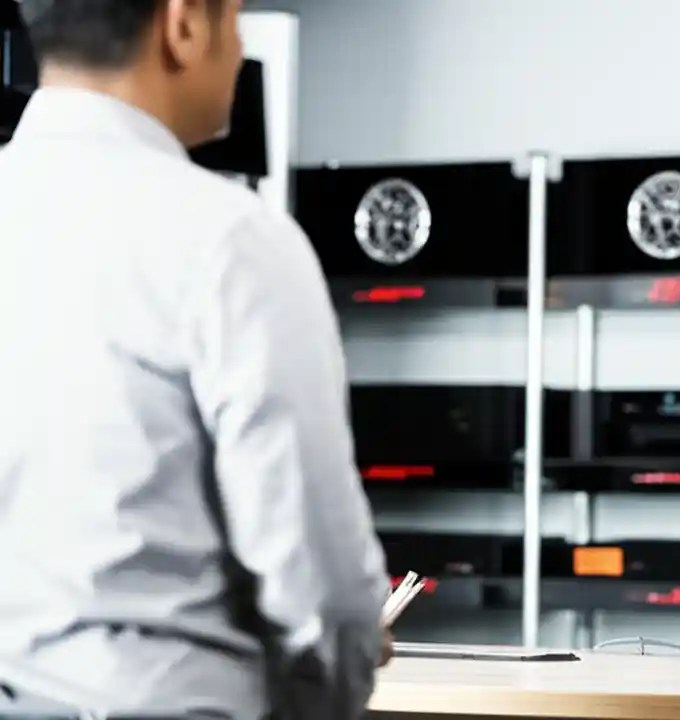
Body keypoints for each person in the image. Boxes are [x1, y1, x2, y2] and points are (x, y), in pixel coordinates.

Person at [0, 1, 391, 717]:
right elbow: (319, 582)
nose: (239, 51)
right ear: (182, 25)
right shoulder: (229, 241)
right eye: (235, 21)